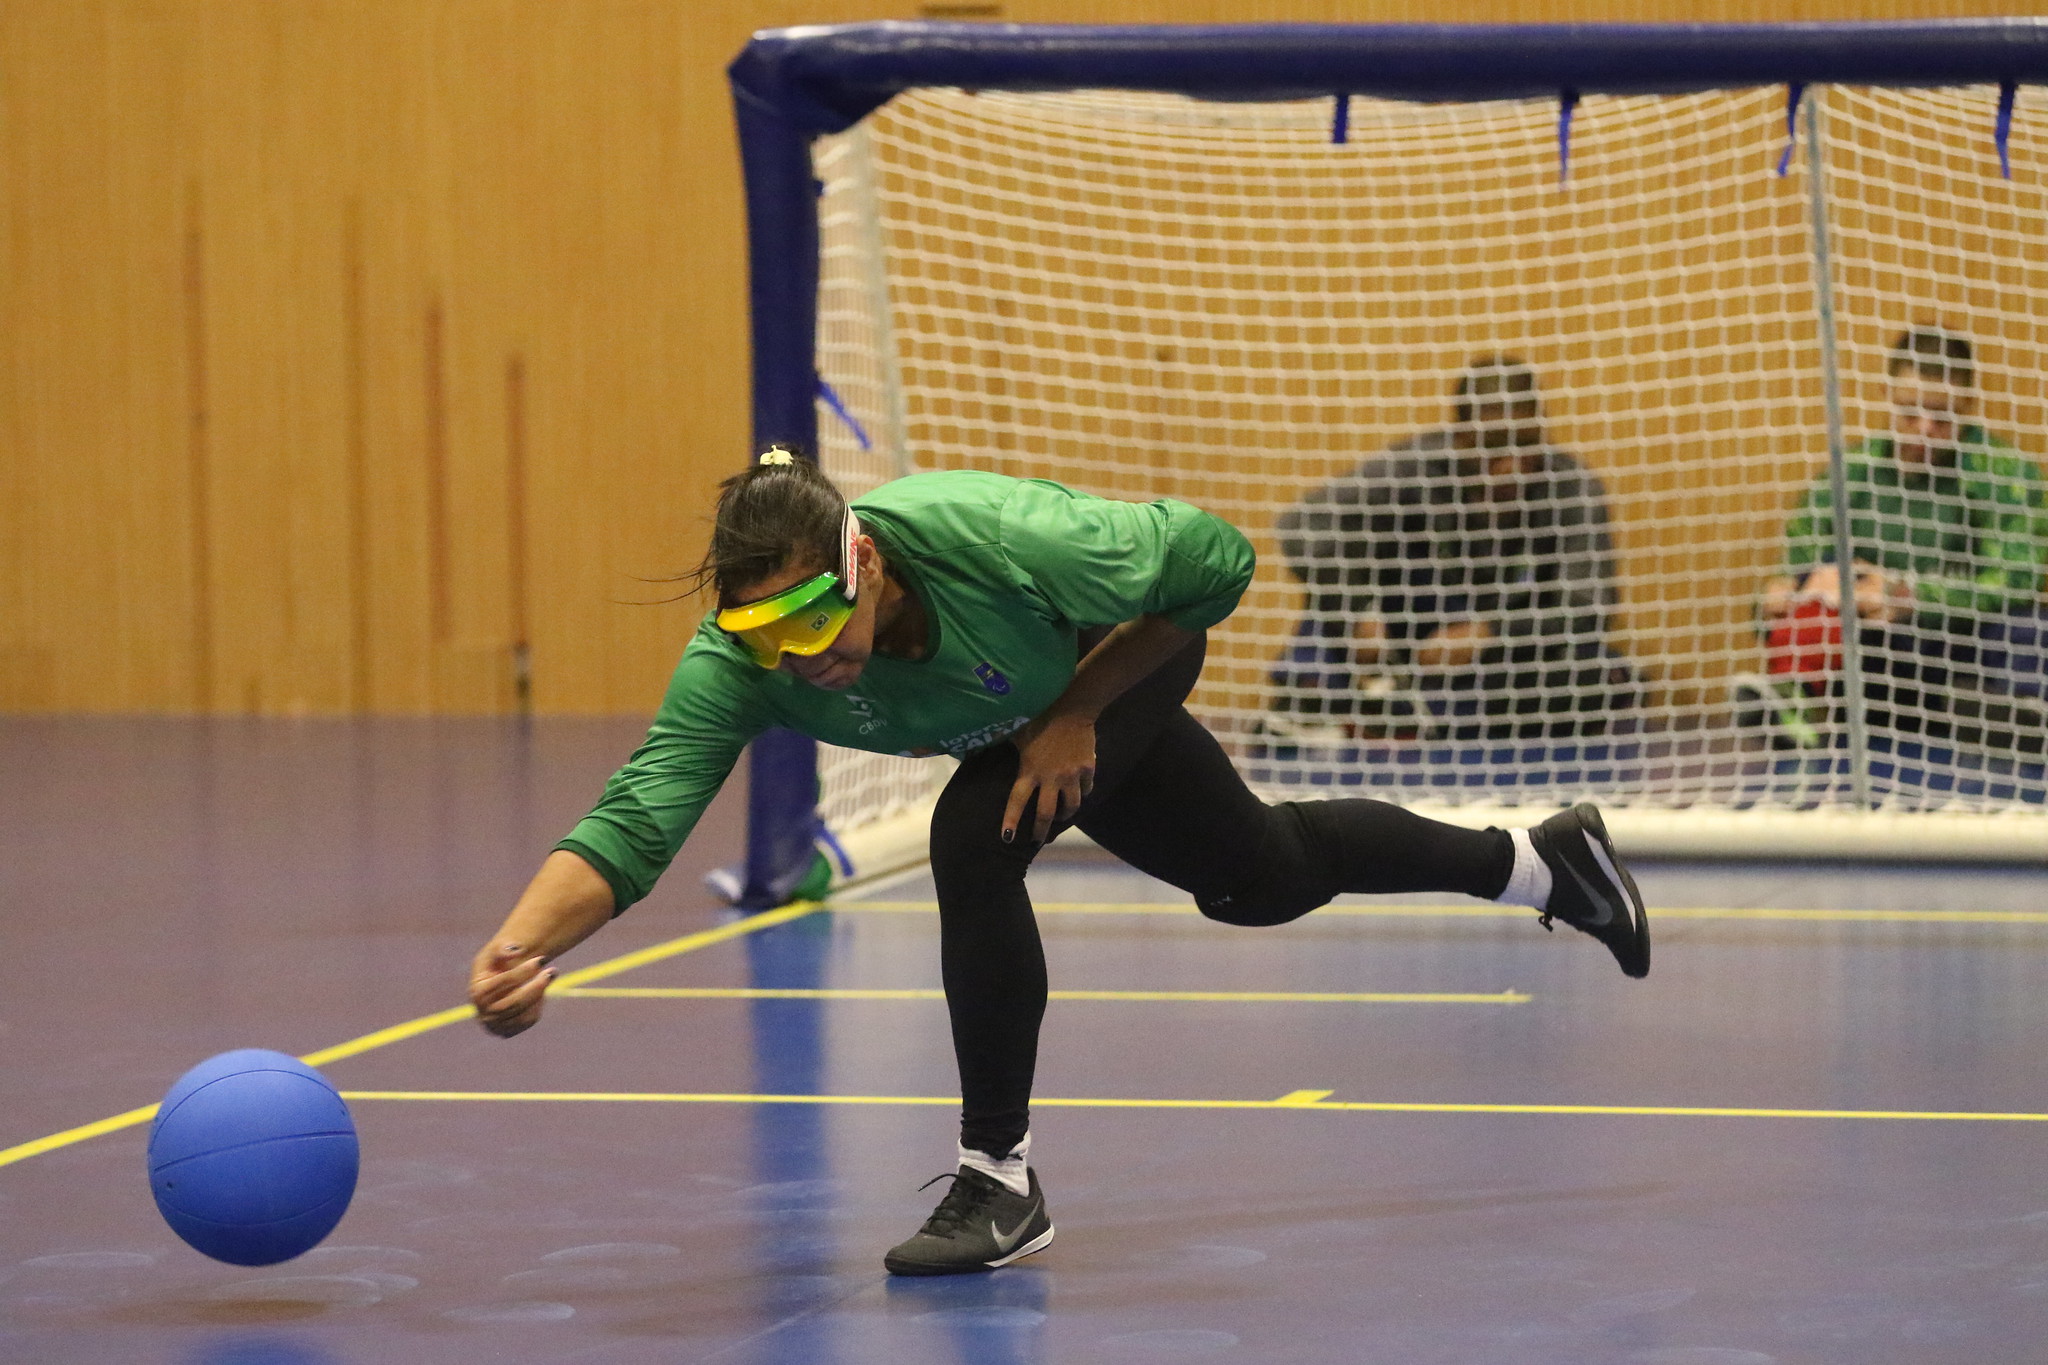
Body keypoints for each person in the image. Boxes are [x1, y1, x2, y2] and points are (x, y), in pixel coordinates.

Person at [467, 448, 1651, 1278]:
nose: (796, 659)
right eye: (759, 636)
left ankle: (1000, 1182)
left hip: (1116, 664)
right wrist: (524, 944)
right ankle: (1543, 865)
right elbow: (637, 819)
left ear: (867, 562)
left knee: (968, 842)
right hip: (1028, 719)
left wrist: (1079, 708)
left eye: (811, 621)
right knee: (1256, 877)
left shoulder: (998, 536)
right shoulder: (745, 664)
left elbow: (1215, 569)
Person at [1270, 357, 1634, 745]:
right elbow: (1303, 525)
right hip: (1408, 641)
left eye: (1526, 444)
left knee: (1595, 672)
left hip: (1508, 660)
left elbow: (1587, 604)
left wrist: (1491, 633)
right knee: (1332, 580)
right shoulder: (1416, 466)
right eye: (1494, 447)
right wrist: (1359, 612)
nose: (1512, 466)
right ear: (1460, 438)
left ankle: (1406, 716)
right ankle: (1359, 703)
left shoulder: (1572, 487)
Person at [1738, 328, 2048, 752]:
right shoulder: (1849, 474)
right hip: (1874, 646)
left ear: (1968, 405)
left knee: (2030, 625)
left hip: (1962, 642)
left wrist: (1912, 597)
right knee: (1818, 585)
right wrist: (1783, 593)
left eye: (1942, 417)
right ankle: (1790, 697)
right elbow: (1798, 560)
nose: (1924, 429)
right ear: (1887, 395)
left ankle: (2016, 713)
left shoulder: (2005, 475)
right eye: (1910, 413)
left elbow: (2017, 580)